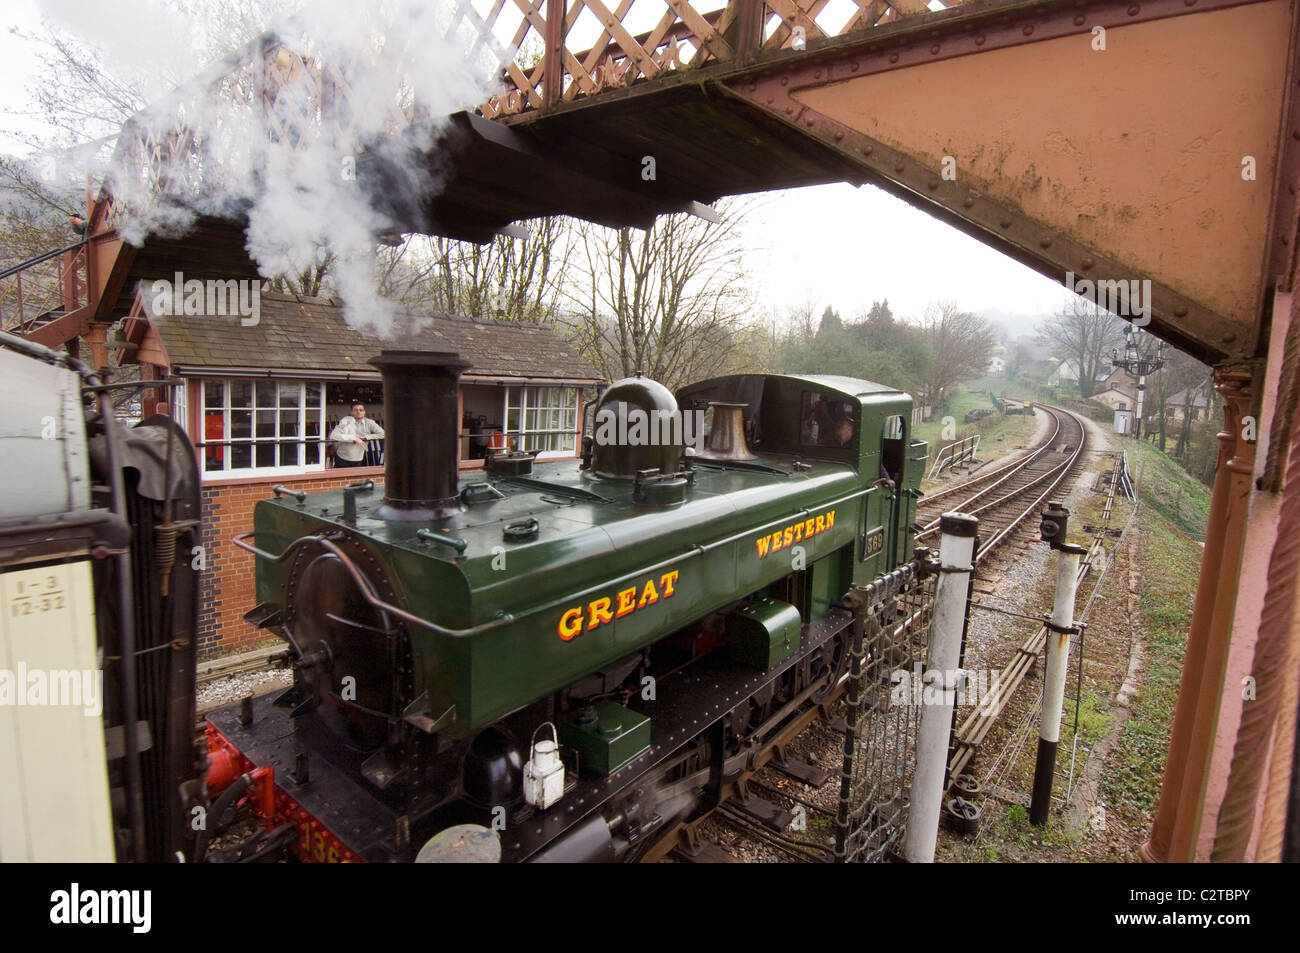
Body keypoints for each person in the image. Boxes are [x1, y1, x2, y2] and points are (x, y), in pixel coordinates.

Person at [329, 402, 384, 467]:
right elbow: (333, 435)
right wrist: (354, 438)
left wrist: (365, 437)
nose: (358, 412)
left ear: (364, 412)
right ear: (352, 412)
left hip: (359, 458)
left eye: (361, 410)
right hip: (342, 458)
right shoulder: (345, 421)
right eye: (356, 410)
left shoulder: (369, 423)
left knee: (356, 476)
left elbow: (383, 434)